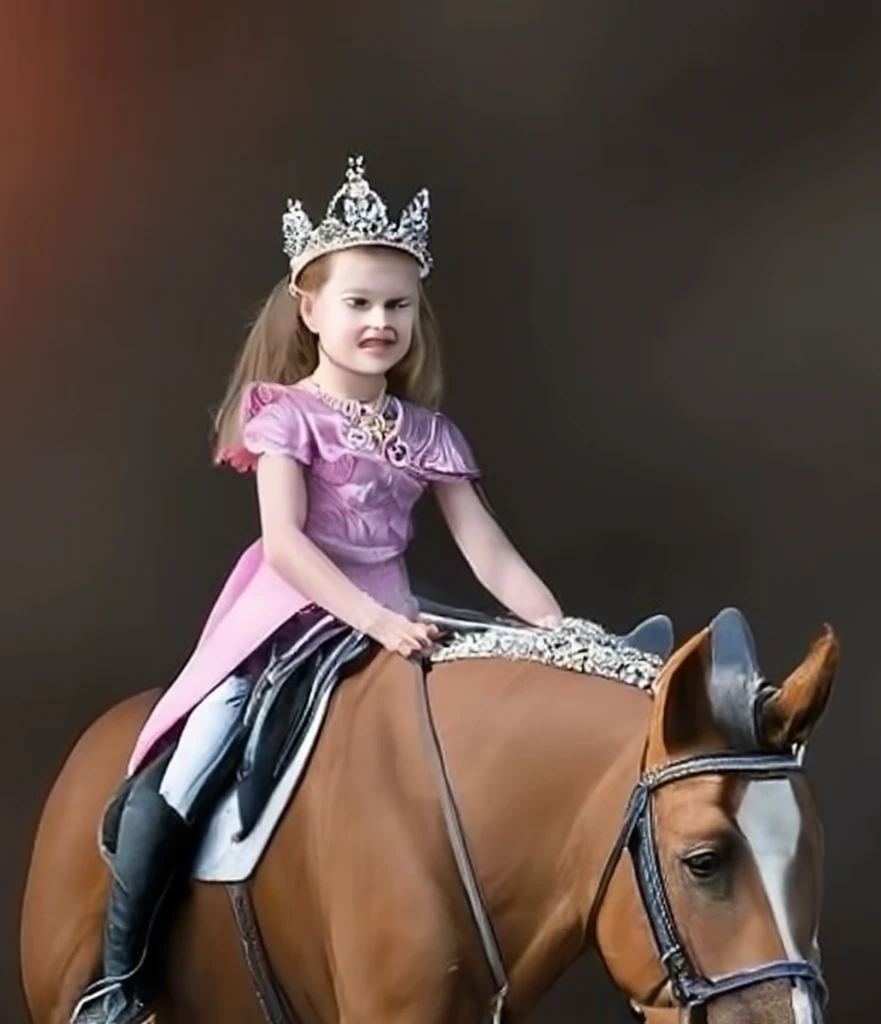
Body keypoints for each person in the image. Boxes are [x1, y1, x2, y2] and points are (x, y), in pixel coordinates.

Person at [72, 154, 563, 1024]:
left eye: (397, 306)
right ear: (310, 310)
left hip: (395, 618)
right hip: (291, 612)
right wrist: (374, 617)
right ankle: (118, 981)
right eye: (360, 304)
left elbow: (488, 552)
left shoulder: (428, 433)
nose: (380, 323)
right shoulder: (286, 413)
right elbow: (286, 545)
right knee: (188, 764)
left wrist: (560, 631)